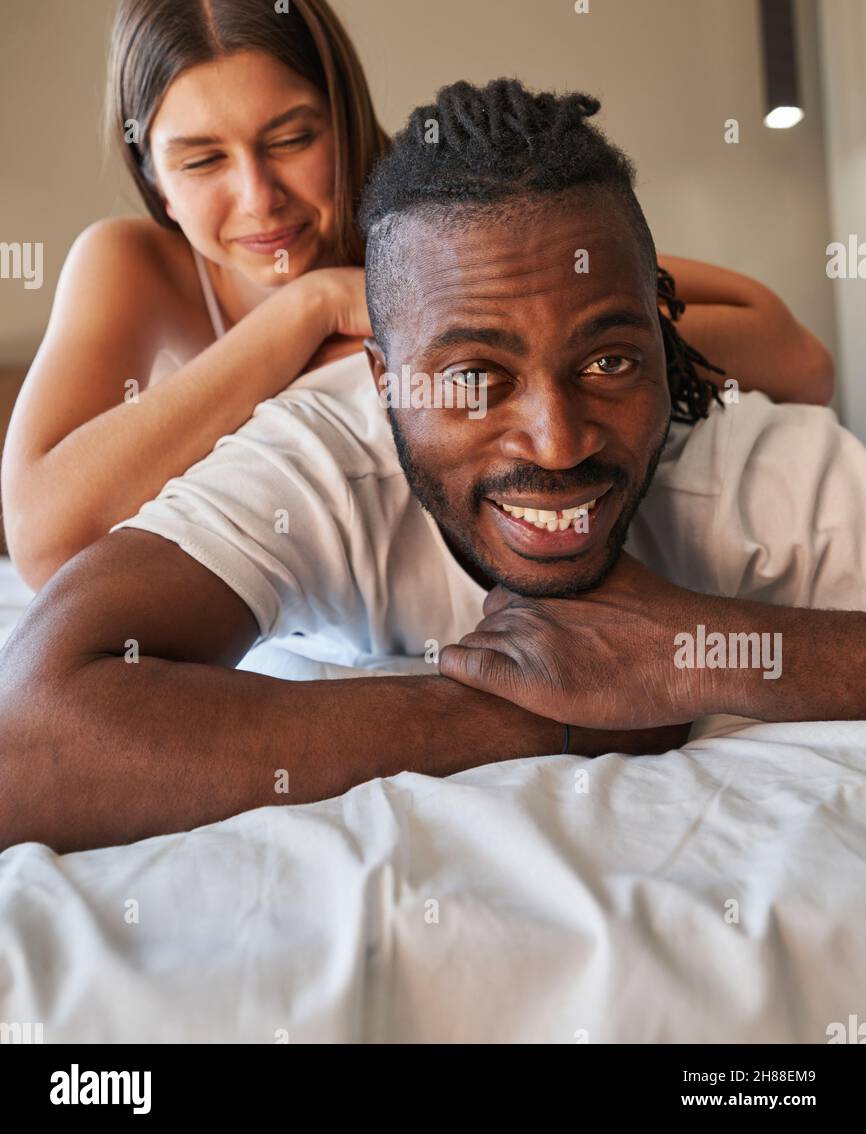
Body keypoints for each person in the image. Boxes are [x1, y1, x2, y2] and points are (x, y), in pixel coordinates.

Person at [2, 78, 861, 857]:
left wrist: (697, 655)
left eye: (607, 362)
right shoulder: (318, 452)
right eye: (473, 379)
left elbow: (794, 354)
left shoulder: (756, 467)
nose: (558, 445)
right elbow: (29, 737)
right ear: (384, 381)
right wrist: (536, 715)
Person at [0, 0, 833, 592]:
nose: (259, 198)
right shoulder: (130, 262)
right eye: (202, 161)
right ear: (151, 174)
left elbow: (800, 359)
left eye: (292, 139)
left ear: (347, 118)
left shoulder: (434, 229)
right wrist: (312, 310)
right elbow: (42, 542)